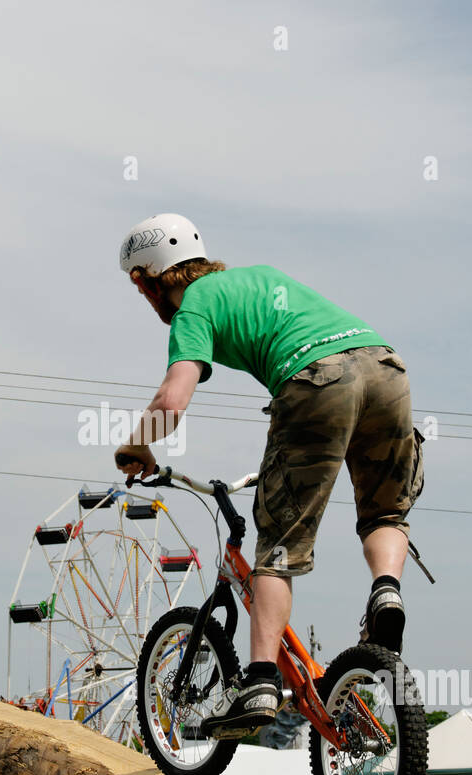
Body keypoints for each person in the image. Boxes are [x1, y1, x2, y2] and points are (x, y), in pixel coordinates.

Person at [115, 214, 423, 735]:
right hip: (387, 369)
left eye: (139, 285)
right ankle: (387, 590)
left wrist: (137, 444)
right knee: (383, 511)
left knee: (276, 549)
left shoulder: (195, 307)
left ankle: (258, 681)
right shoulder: (260, 275)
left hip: (317, 380)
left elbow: (174, 397)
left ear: (149, 279)